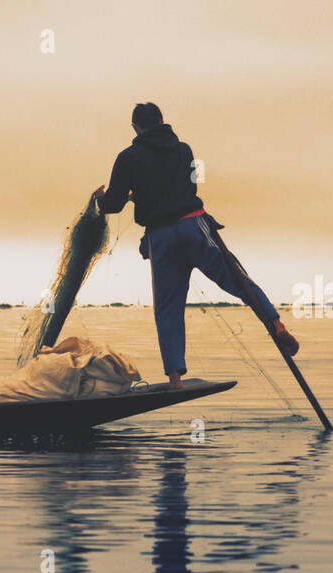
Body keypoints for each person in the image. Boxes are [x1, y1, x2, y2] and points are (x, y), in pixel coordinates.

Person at [93, 102, 298, 389]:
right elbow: (188, 189)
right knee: (239, 281)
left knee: (169, 309)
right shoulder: (184, 149)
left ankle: (175, 379)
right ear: (162, 122)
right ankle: (276, 325)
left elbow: (112, 204)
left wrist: (99, 200)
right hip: (195, 226)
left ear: (135, 128)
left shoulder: (128, 157)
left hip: (161, 238)